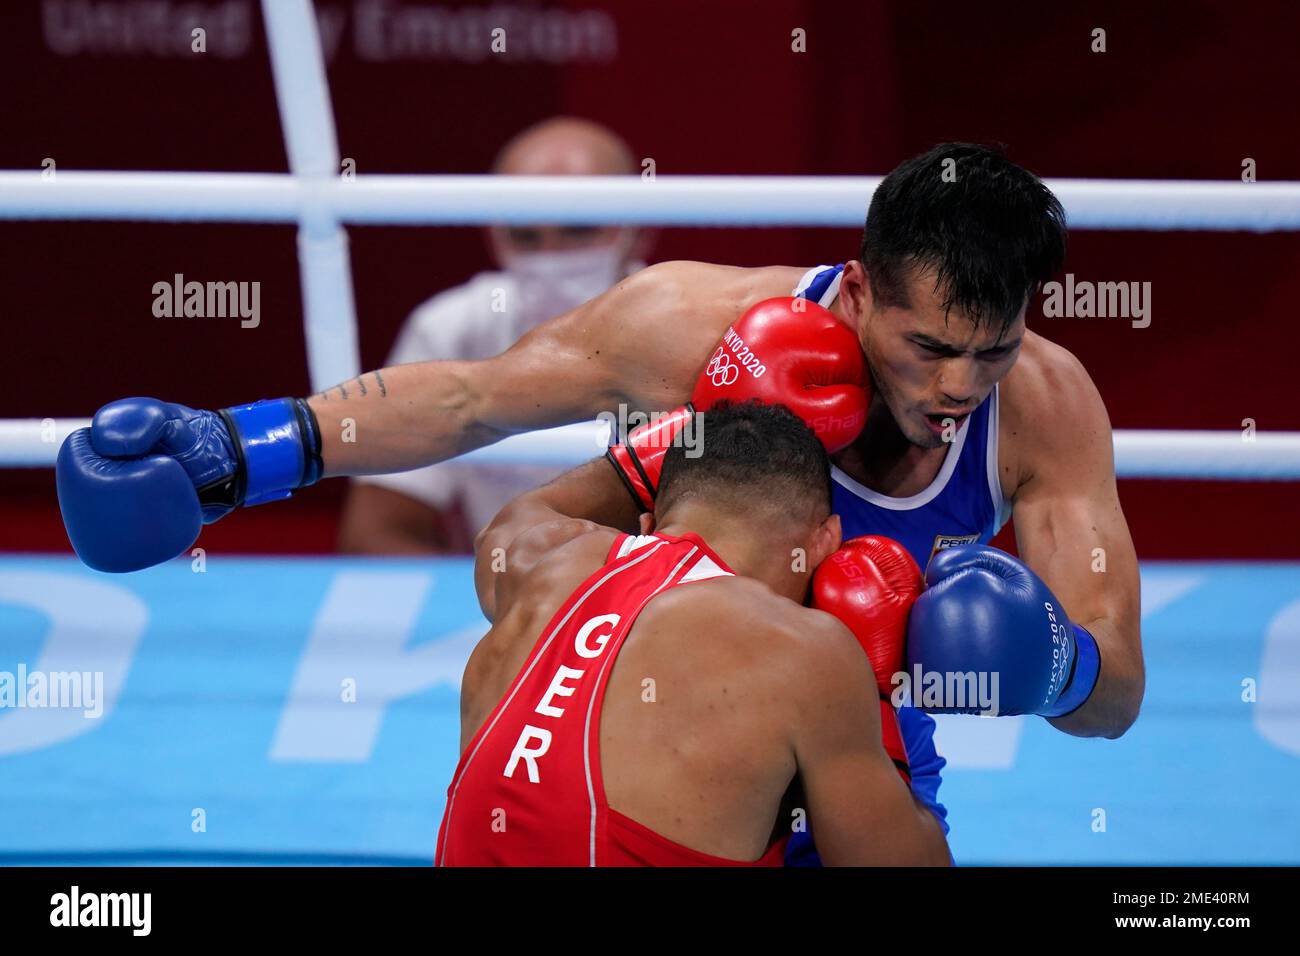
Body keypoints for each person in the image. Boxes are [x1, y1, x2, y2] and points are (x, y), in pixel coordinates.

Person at [56, 142, 1144, 864]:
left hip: (867, 767)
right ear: (858, 290)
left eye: (990, 350)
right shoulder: (695, 321)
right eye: (930, 347)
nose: (959, 386)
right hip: (669, 760)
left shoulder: (1043, 409)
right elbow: (476, 396)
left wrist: (1052, 661)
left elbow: (1116, 688)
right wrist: (243, 449)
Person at [437, 400, 950, 866]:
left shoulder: (538, 559)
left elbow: (504, 526)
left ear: (649, 517)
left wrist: (649, 448)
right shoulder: (804, 649)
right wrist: (881, 691)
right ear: (825, 542)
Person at [339, 116, 650, 554]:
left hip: (652, 603)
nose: (550, 256)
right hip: (498, 602)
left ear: (641, 231)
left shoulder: (694, 330)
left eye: (579, 229)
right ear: (493, 236)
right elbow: (377, 532)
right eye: (525, 235)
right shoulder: (450, 330)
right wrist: (486, 608)